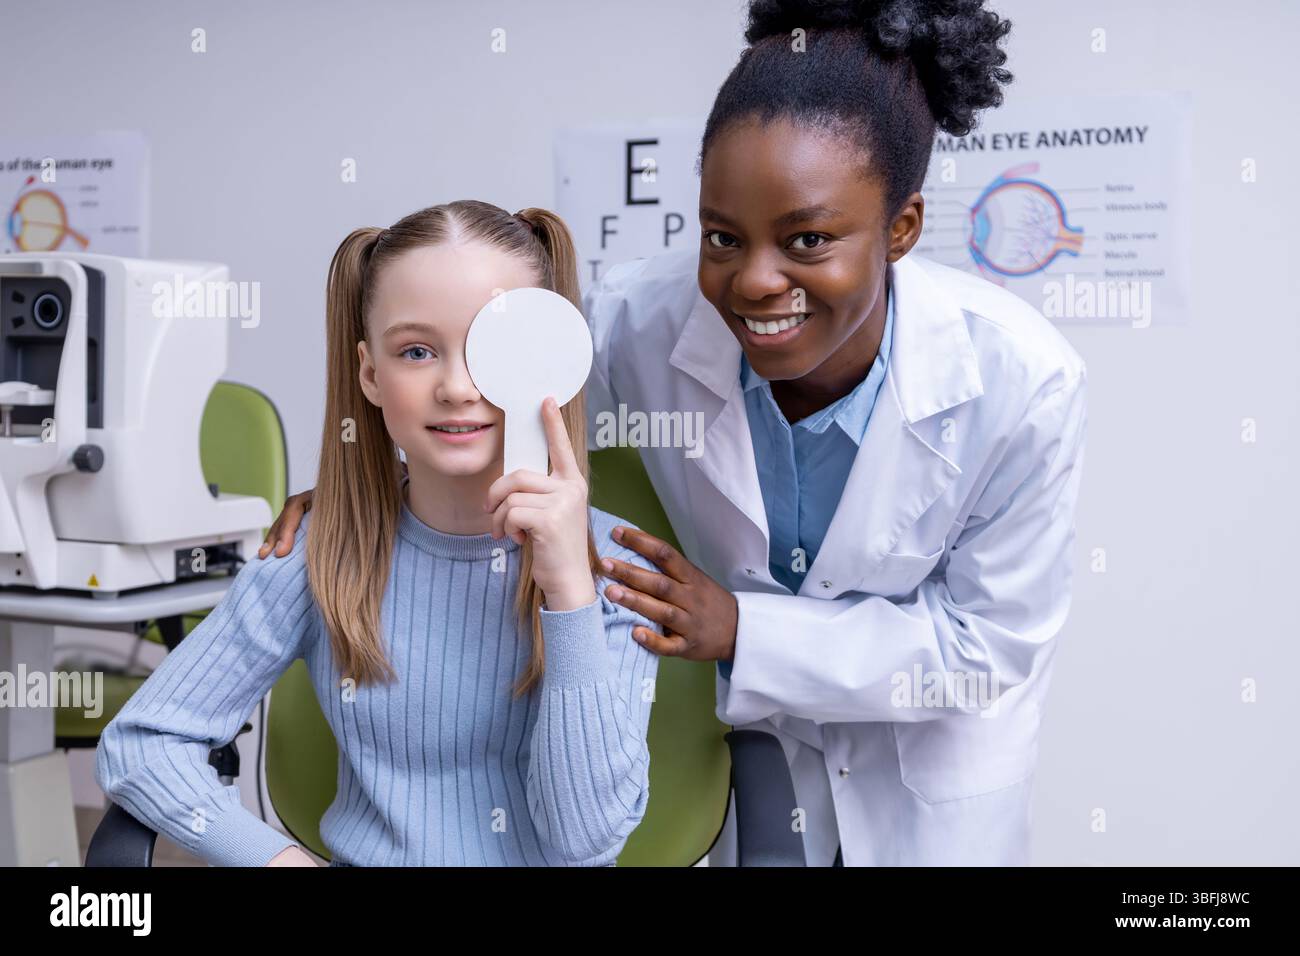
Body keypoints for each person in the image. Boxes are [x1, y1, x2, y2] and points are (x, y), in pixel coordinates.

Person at [262, 0, 1087, 866]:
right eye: (723, 236)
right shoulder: (639, 319)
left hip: (927, 781)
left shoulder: (1022, 382)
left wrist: (740, 629)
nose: (757, 282)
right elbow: (472, 379)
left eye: (808, 238)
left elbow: (988, 649)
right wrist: (368, 482)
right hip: (734, 770)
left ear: (902, 228)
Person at [96, 200, 660, 867]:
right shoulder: (319, 553)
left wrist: (569, 591)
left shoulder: (617, 574)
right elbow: (142, 742)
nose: (456, 387)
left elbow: (585, 840)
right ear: (369, 373)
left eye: (491, 349)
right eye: (417, 351)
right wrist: (277, 862)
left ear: (550, 360)